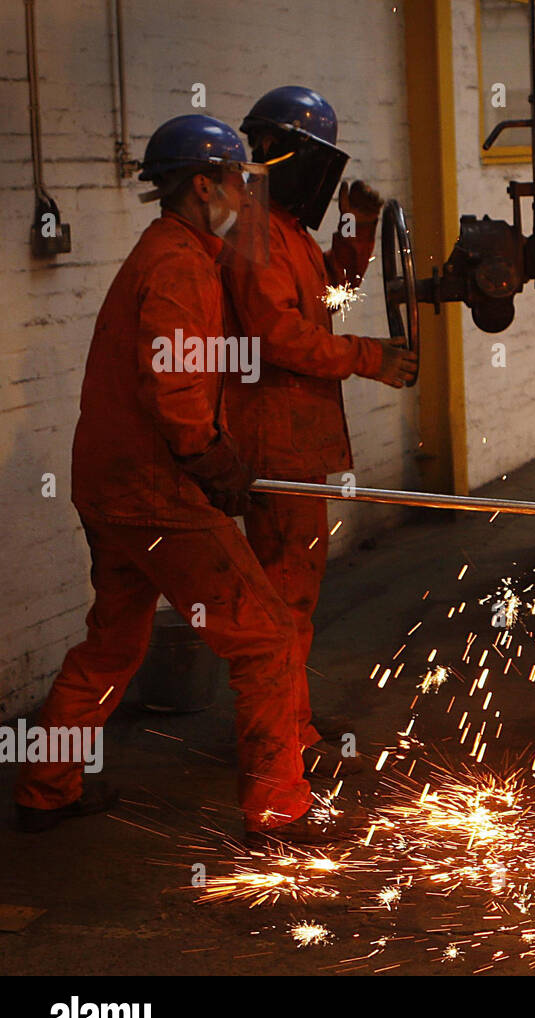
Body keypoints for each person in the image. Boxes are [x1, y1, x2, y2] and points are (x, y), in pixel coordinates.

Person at [13, 116, 328, 841]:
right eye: (236, 180)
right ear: (201, 183)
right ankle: (279, 810)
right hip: (155, 494)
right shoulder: (181, 263)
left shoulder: (166, 251)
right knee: (267, 635)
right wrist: (213, 463)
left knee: (113, 644)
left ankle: (45, 788)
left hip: (110, 486)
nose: (243, 194)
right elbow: (176, 388)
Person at [222, 86, 416, 755]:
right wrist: (370, 358)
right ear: (293, 156)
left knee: (294, 602)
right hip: (273, 449)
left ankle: (290, 726)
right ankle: (275, 743)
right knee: (281, 605)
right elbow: (278, 335)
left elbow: (330, 297)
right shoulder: (254, 235)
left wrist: (358, 232)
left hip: (296, 445)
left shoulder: (288, 234)